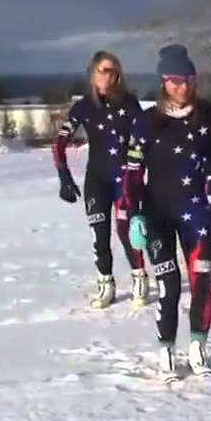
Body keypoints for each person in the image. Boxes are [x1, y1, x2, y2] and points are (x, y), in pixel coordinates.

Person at [123, 45, 211, 381]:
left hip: (198, 214)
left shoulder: (207, 115)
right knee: (169, 284)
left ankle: (197, 346)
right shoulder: (147, 122)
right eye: (175, 80)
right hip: (157, 213)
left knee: (201, 282)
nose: (182, 86)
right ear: (164, 81)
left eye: (188, 79)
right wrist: (134, 214)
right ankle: (165, 350)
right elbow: (133, 173)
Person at [53, 51, 149, 309]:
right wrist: (63, 174)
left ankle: (139, 276)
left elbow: (142, 136)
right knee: (99, 233)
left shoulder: (128, 102)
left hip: (125, 178)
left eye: (114, 71)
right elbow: (60, 141)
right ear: (93, 72)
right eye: (104, 70)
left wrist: (135, 164)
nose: (109, 76)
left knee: (126, 230)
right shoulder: (83, 106)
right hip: (97, 178)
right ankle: (105, 282)